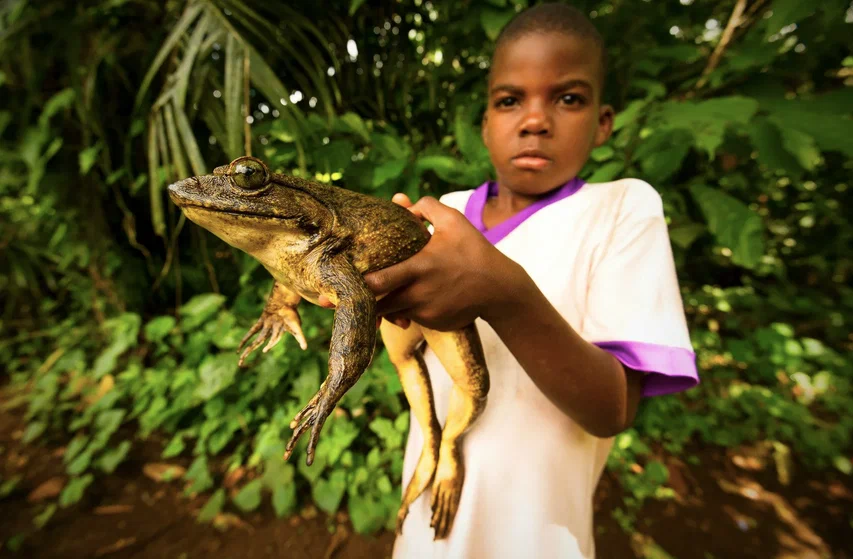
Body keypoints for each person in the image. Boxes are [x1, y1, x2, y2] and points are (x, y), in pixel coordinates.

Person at [358, 3, 698, 557]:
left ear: (604, 122)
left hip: (538, 533)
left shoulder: (622, 209)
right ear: (487, 124)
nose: (535, 120)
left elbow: (612, 410)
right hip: (427, 519)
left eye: (568, 98)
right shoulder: (443, 213)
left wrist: (505, 293)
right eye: (510, 100)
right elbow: (404, 346)